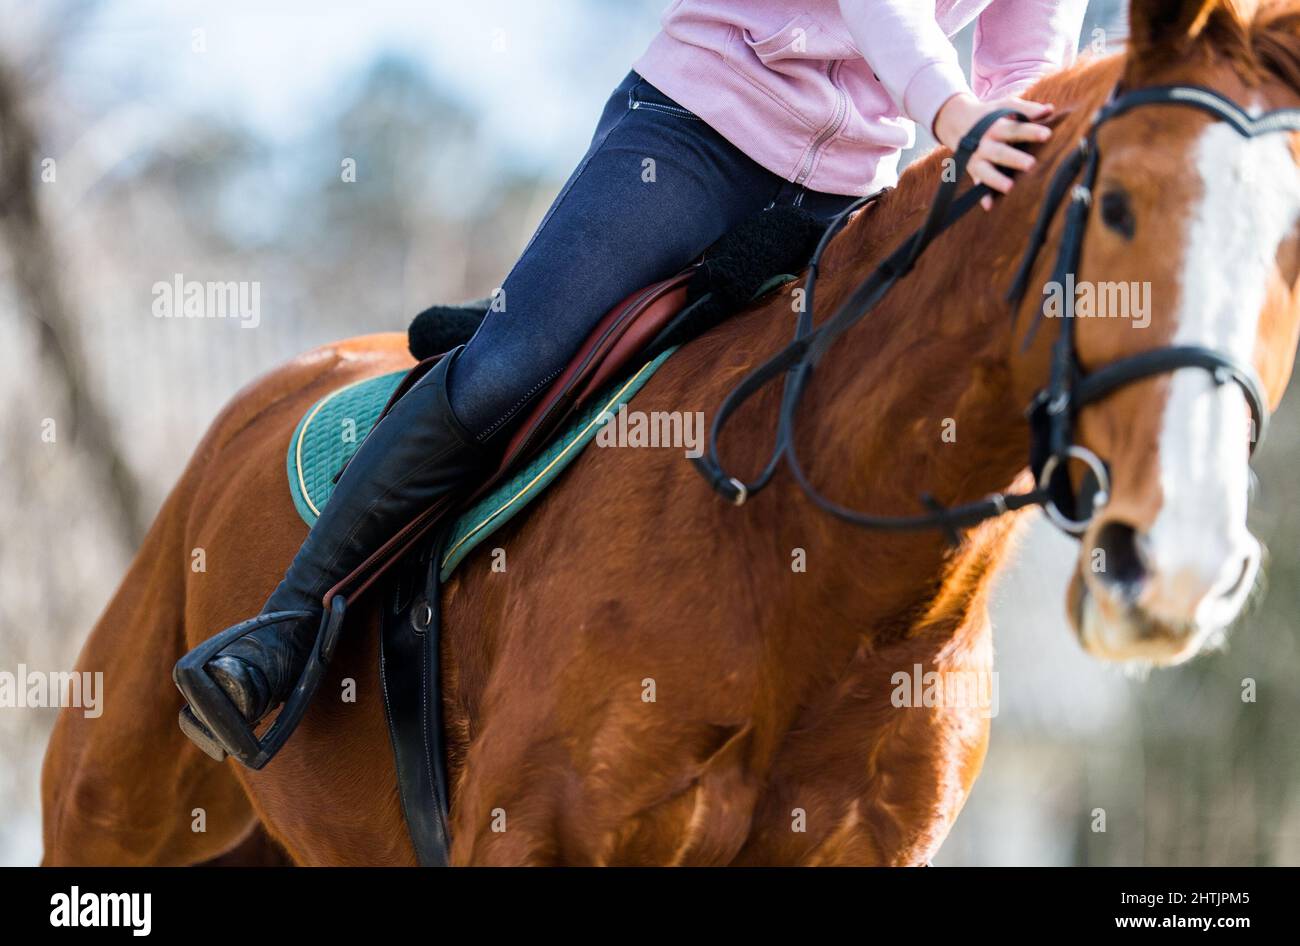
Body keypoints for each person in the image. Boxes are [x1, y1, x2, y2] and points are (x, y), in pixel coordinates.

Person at [175, 0, 1087, 759]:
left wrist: (1002, 169)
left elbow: (1029, 67)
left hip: (853, 191)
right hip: (698, 130)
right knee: (505, 371)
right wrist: (955, 115)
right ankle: (282, 634)